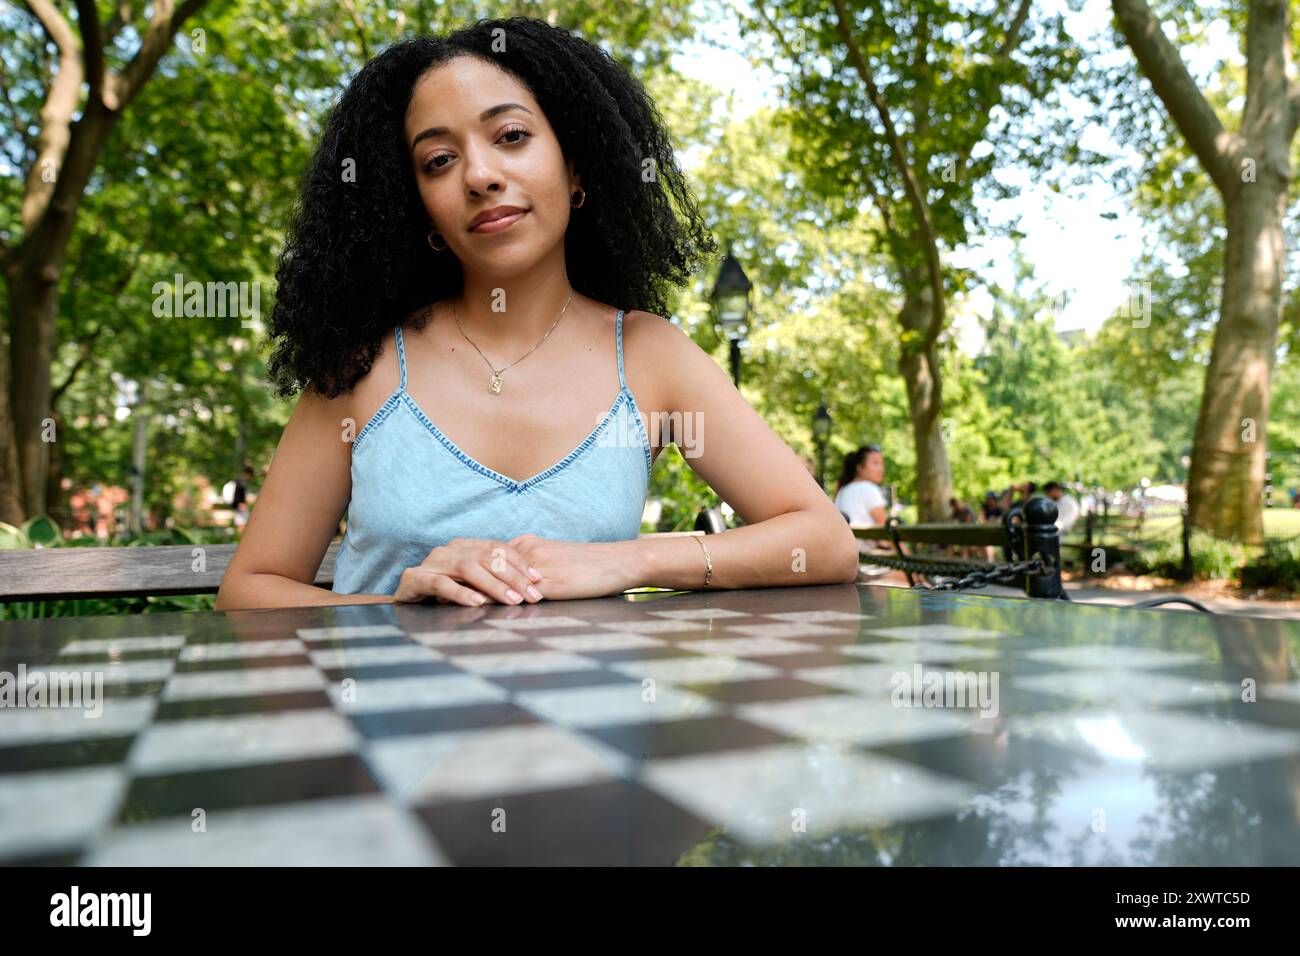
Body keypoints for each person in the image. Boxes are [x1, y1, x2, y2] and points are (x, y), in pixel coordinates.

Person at [215, 20, 859, 610]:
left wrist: (624, 562)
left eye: (512, 136)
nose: (480, 175)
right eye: (439, 160)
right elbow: (246, 592)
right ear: (422, 211)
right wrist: (392, 609)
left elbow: (825, 541)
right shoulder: (367, 364)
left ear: (576, 168)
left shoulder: (647, 355)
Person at [833, 445, 888, 527]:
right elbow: (886, 530)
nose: (881, 468)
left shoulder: (843, 489)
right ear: (859, 468)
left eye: (881, 464)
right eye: (875, 463)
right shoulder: (868, 488)